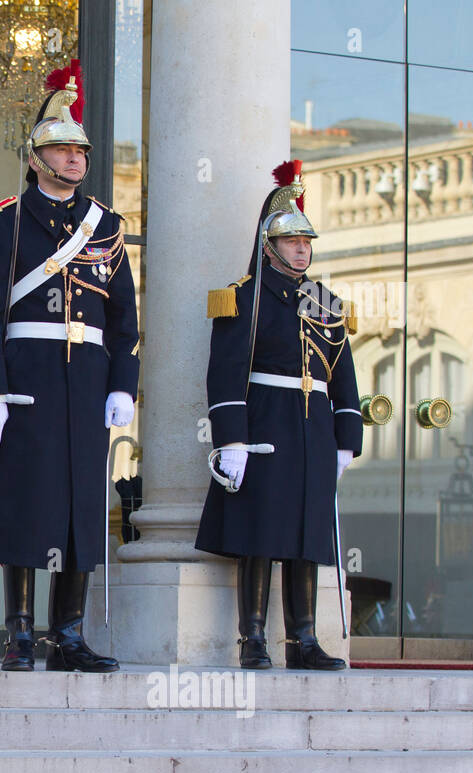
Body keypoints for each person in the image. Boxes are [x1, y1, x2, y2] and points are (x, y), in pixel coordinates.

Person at [0, 62, 139, 673]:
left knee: (80, 508)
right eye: (61, 148)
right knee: (25, 502)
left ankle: (68, 635)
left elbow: (125, 321)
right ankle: (19, 633)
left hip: (86, 380)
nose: (74, 158)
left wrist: (124, 385)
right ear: (36, 157)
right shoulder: (3, 222)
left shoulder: (107, 228)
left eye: (80, 149)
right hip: (25, 377)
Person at [195, 160, 363, 670]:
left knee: (306, 535)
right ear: (270, 245)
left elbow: (345, 376)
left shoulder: (326, 303)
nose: (302, 249)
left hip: (312, 425)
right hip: (265, 421)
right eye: (293, 242)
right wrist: (231, 440)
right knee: (261, 534)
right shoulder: (242, 297)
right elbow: (225, 372)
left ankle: (303, 642)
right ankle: (253, 639)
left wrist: (345, 438)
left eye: (307, 242)